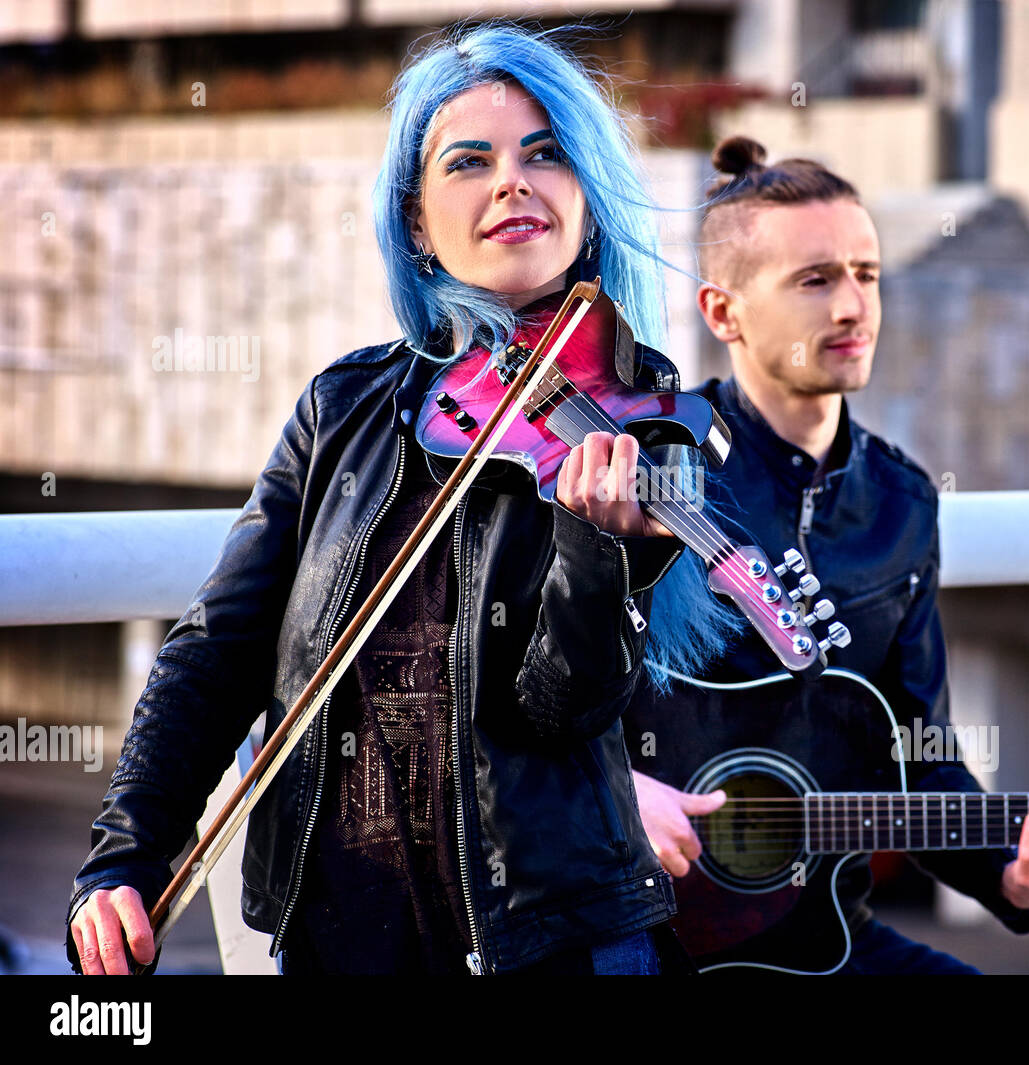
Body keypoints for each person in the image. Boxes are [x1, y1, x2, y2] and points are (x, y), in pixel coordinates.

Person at [65, 23, 734, 977]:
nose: (514, 180)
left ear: (587, 197)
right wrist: (123, 855)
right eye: (470, 161)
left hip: (549, 945)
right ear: (417, 222)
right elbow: (219, 649)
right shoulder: (342, 407)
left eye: (548, 154)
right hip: (339, 936)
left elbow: (557, 711)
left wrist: (597, 554)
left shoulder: (639, 425)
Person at [626, 136, 1029, 974]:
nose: (854, 306)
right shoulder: (652, 470)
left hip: (825, 941)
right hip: (646, 935)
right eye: (815, 280)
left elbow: (922, 758)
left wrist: (1017, 879)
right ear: (722, 312)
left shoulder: (902, 503)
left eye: (866, 273)